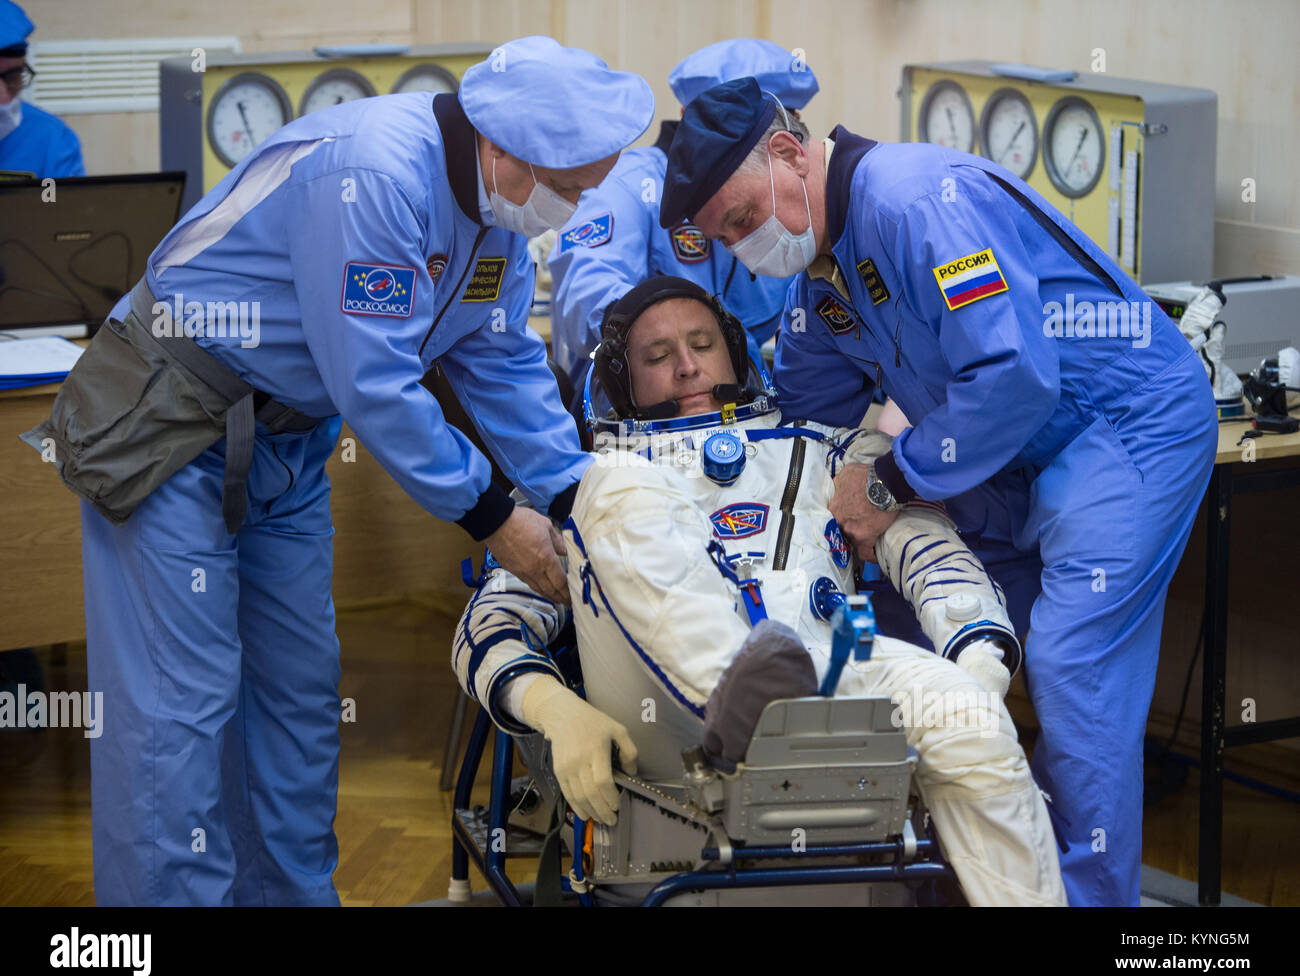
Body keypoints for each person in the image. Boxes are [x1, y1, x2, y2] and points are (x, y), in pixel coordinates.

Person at [23, 36, 653, 905]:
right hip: (169, 427)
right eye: (569, 186)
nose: (570, 208)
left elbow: (500, 360)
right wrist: (495, 518)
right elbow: (378, 383)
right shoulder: (377, 176)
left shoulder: (500, 216)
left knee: (298, 702)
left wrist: (577, 499)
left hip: (286, 444)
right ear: (505, 149)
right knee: (179, 715)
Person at [658, 78, 1219, 906]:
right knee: (888, 623)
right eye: (723, 238)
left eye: (741, 219)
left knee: (1070, 659)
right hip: (1010, 457)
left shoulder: (918, 203)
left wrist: (887, 479)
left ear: (785, 153)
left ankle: (1091, 899)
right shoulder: (821, 276)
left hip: (1124, 430)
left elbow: (1015, 373)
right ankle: (933, 874)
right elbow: (806, 420)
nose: (743, 244)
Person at [454, 276, 1067, 907]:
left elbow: (932, 555)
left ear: (739, 358)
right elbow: (489, 624)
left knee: (969, 719)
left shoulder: (830, 455)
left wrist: (978, 669)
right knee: (614, 482)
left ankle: (776, 703)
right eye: (658, 358)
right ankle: (734, 696)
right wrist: (556, 710)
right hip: (667, 741)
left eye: (702, 345)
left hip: (830, 694)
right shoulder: (584, 486)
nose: (688, 367)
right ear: (622, 384)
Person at [547, 39, 817, 383]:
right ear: (690, 118)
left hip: (742, 392)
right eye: (732, 124)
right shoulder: (629, 185)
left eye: (780, 121)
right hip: (639, 399)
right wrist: (659, 329)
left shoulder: (788, 195)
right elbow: (584, 289)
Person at [0, 2, 83, 177]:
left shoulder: (52, 141)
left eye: (13, 76)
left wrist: (46, 201)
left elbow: (52, 201)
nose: (4, 97)